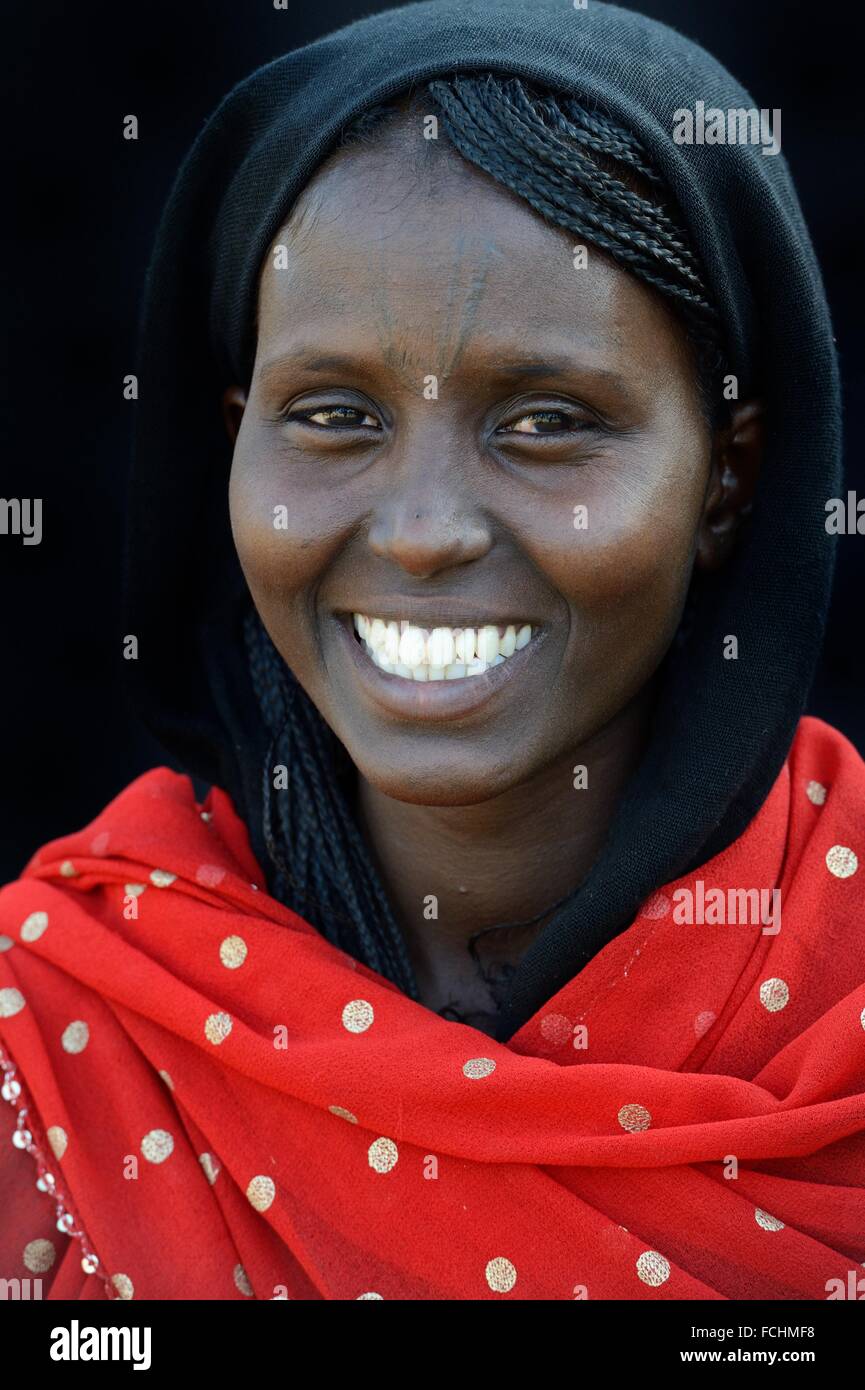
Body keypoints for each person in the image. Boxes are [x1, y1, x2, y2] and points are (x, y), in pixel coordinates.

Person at [1, 0, 862, 1301]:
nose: (417, 535)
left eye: (546, 422)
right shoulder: (58, 1027)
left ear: (726, 479)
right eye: (333, 415)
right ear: (235, 441)